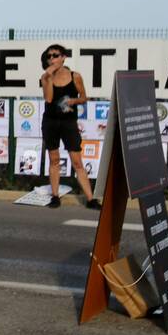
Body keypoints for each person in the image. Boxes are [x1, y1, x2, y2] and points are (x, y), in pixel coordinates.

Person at [40, 44, 100, 210]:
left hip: (68, 122)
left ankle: (90, 199)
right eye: (49, 56)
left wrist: (72, 101)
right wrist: (49, 77)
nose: (52, 59)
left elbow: (84, 97)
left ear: (64, 57)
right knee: (54, 159)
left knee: (77, 161)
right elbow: (49, 98)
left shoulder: (75, 76)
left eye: (56, 55)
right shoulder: (45, 77)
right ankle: (55, 196)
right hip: (51, 121)